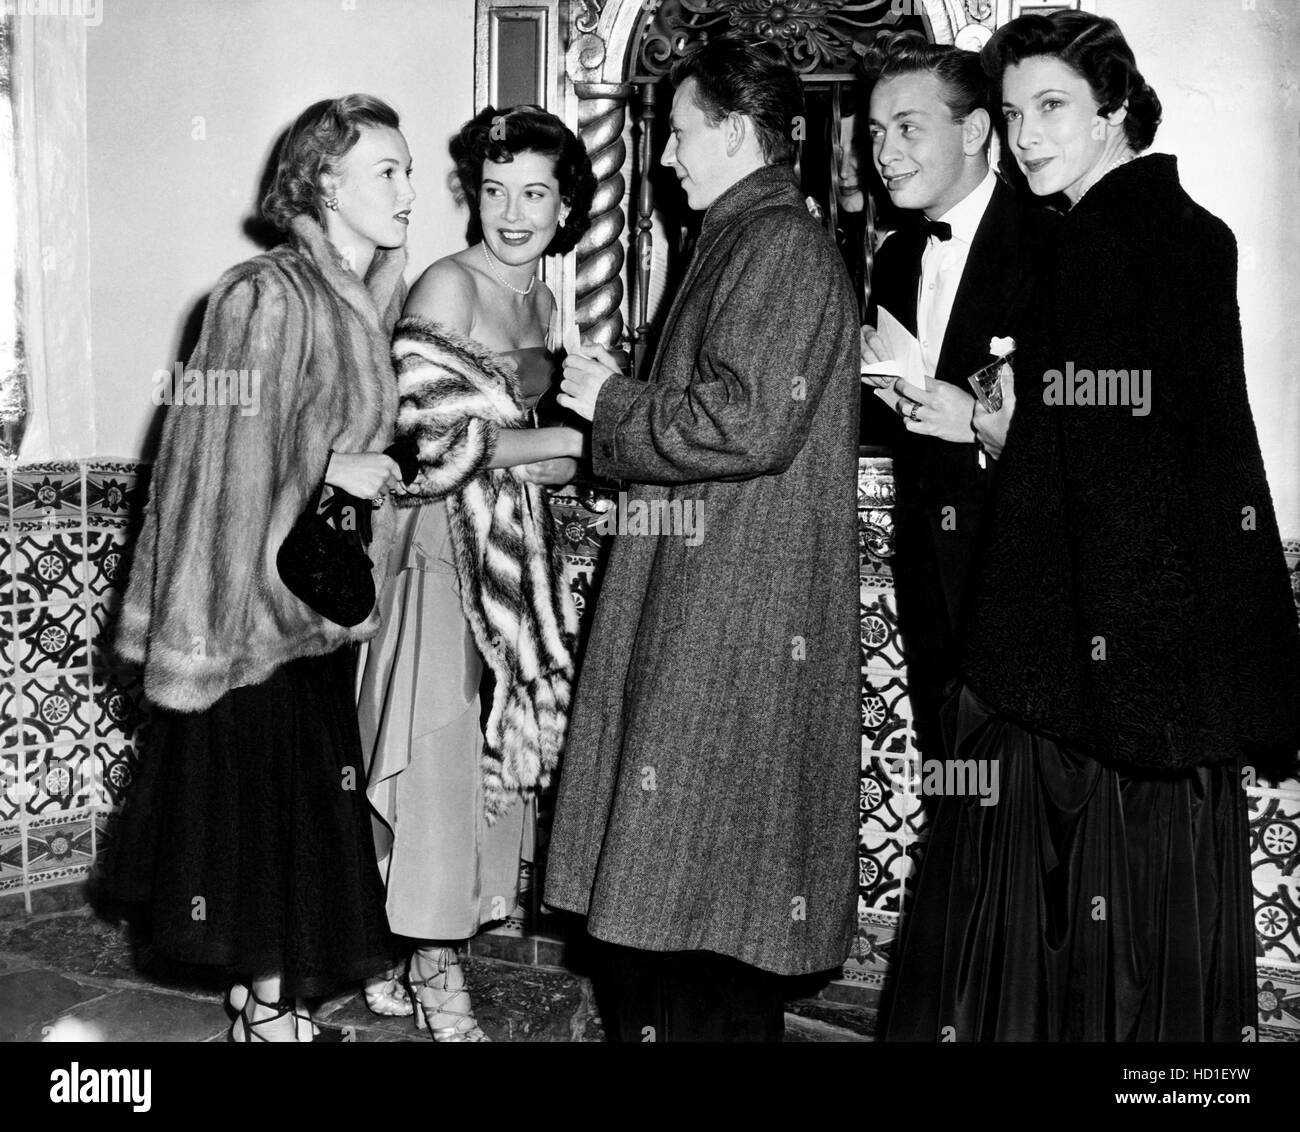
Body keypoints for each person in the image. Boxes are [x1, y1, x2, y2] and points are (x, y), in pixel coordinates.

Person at [886, 11, 1300, 1041]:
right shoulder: (1186, 234)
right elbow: (1158, 441)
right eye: (1015, 112)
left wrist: (994, 425)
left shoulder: (1092, 243)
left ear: (1115, 106)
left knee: (1042, 950)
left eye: (1053, 108)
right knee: (1141, 970)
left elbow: (1113, 456)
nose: (1025, 134)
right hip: (1152, 668)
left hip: (1086, 668)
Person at [546, 37, 862, 1043]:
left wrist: (611, 403)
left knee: (697, 902)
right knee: (681, 893)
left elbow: (750, 418)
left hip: (729, 610)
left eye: (678, 135)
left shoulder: (774, 243)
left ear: (731, 132)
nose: (665, 159)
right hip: (707, 596)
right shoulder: (746, 232)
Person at [106, 95, 414, 1041]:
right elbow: (210, 459)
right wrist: (332, 468)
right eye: (388, 173)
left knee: (298, 821)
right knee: (270, 825)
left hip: (311, 610)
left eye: (408, 173)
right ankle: (269, 1015)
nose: (411, 193)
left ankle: (261, 999)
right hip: (245, 622)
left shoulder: (352, 300)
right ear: (326, 181)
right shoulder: (264, 294)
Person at [354, 104, 594, 1042]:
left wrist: (558, 452)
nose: (512, 211)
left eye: (534, 192)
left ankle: (405, 952)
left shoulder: (544, 300)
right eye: (493, 191)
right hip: (434, 551)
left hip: (509, 554)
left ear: (566, 203)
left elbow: (548, 450)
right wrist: (556, 441)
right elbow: (425, 441)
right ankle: (431, 964)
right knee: (437, 750)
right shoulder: (446, 287)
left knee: (488, 754)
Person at [857, 33, 1055, 760]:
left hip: (1027, 573)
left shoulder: (1053, 243)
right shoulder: (896, 255)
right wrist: (874, 378)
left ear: (975, 131)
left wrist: (974, 421)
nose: (884, 153)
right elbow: (910, 411)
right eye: (877, 133)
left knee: (1028, 802)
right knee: (955, 781)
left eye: (908, 128)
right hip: (929, 569)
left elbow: (1092, 428)